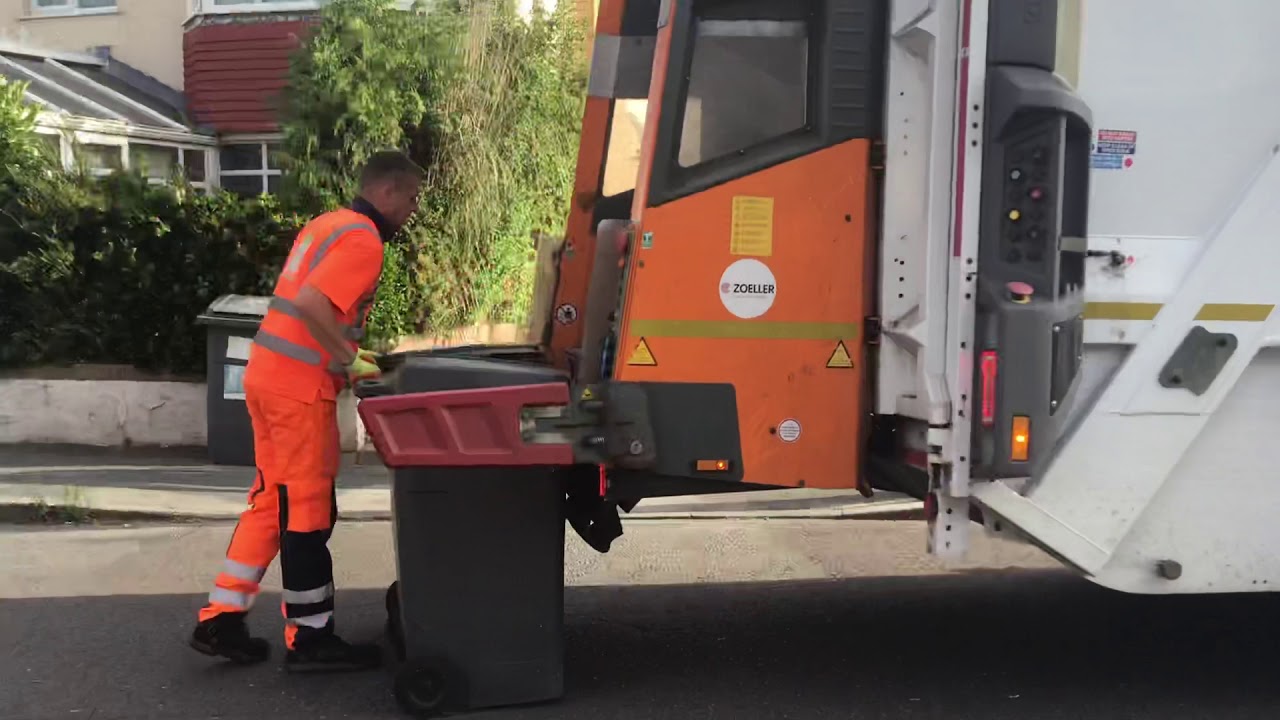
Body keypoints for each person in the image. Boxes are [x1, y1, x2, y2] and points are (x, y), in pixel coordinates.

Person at [189, 150, 424, 672]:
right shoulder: (363, 239)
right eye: (410, 198)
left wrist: (348, 357)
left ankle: (221, 618)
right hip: (299, 391)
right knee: (308, 513)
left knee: (273, 502)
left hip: (268, 377)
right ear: (386, 192)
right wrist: (349, 360)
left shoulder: (327, 225)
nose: (411, 209)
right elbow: (314, 305)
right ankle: (312, 637)